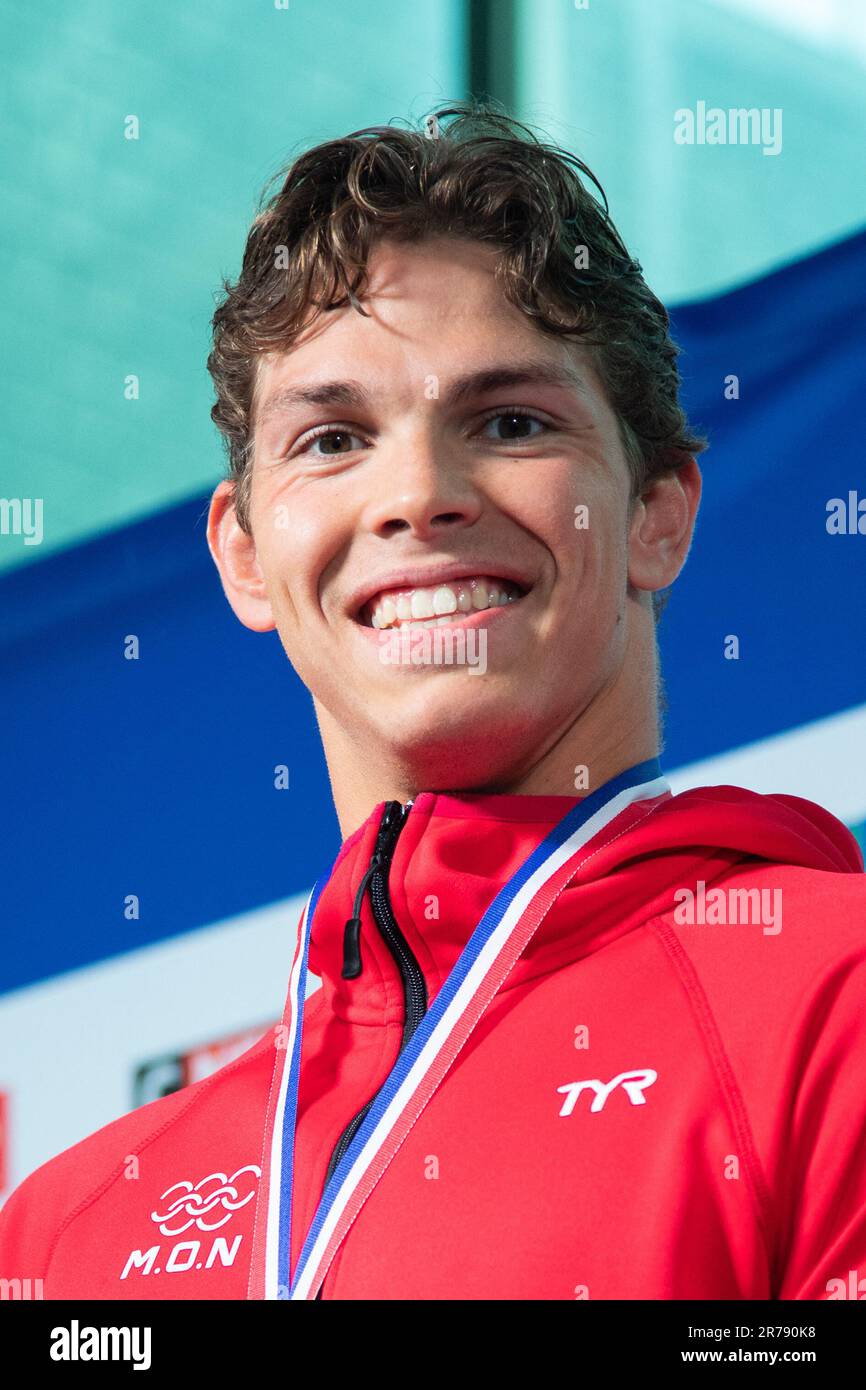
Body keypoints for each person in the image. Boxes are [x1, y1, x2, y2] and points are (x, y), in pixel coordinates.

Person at [1, 105, 864, 1302]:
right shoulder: (67, 1229)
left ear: (657, 514)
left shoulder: (834, 1004)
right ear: (245, 554)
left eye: (508, 422)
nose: (415, 493)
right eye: (332, 437)